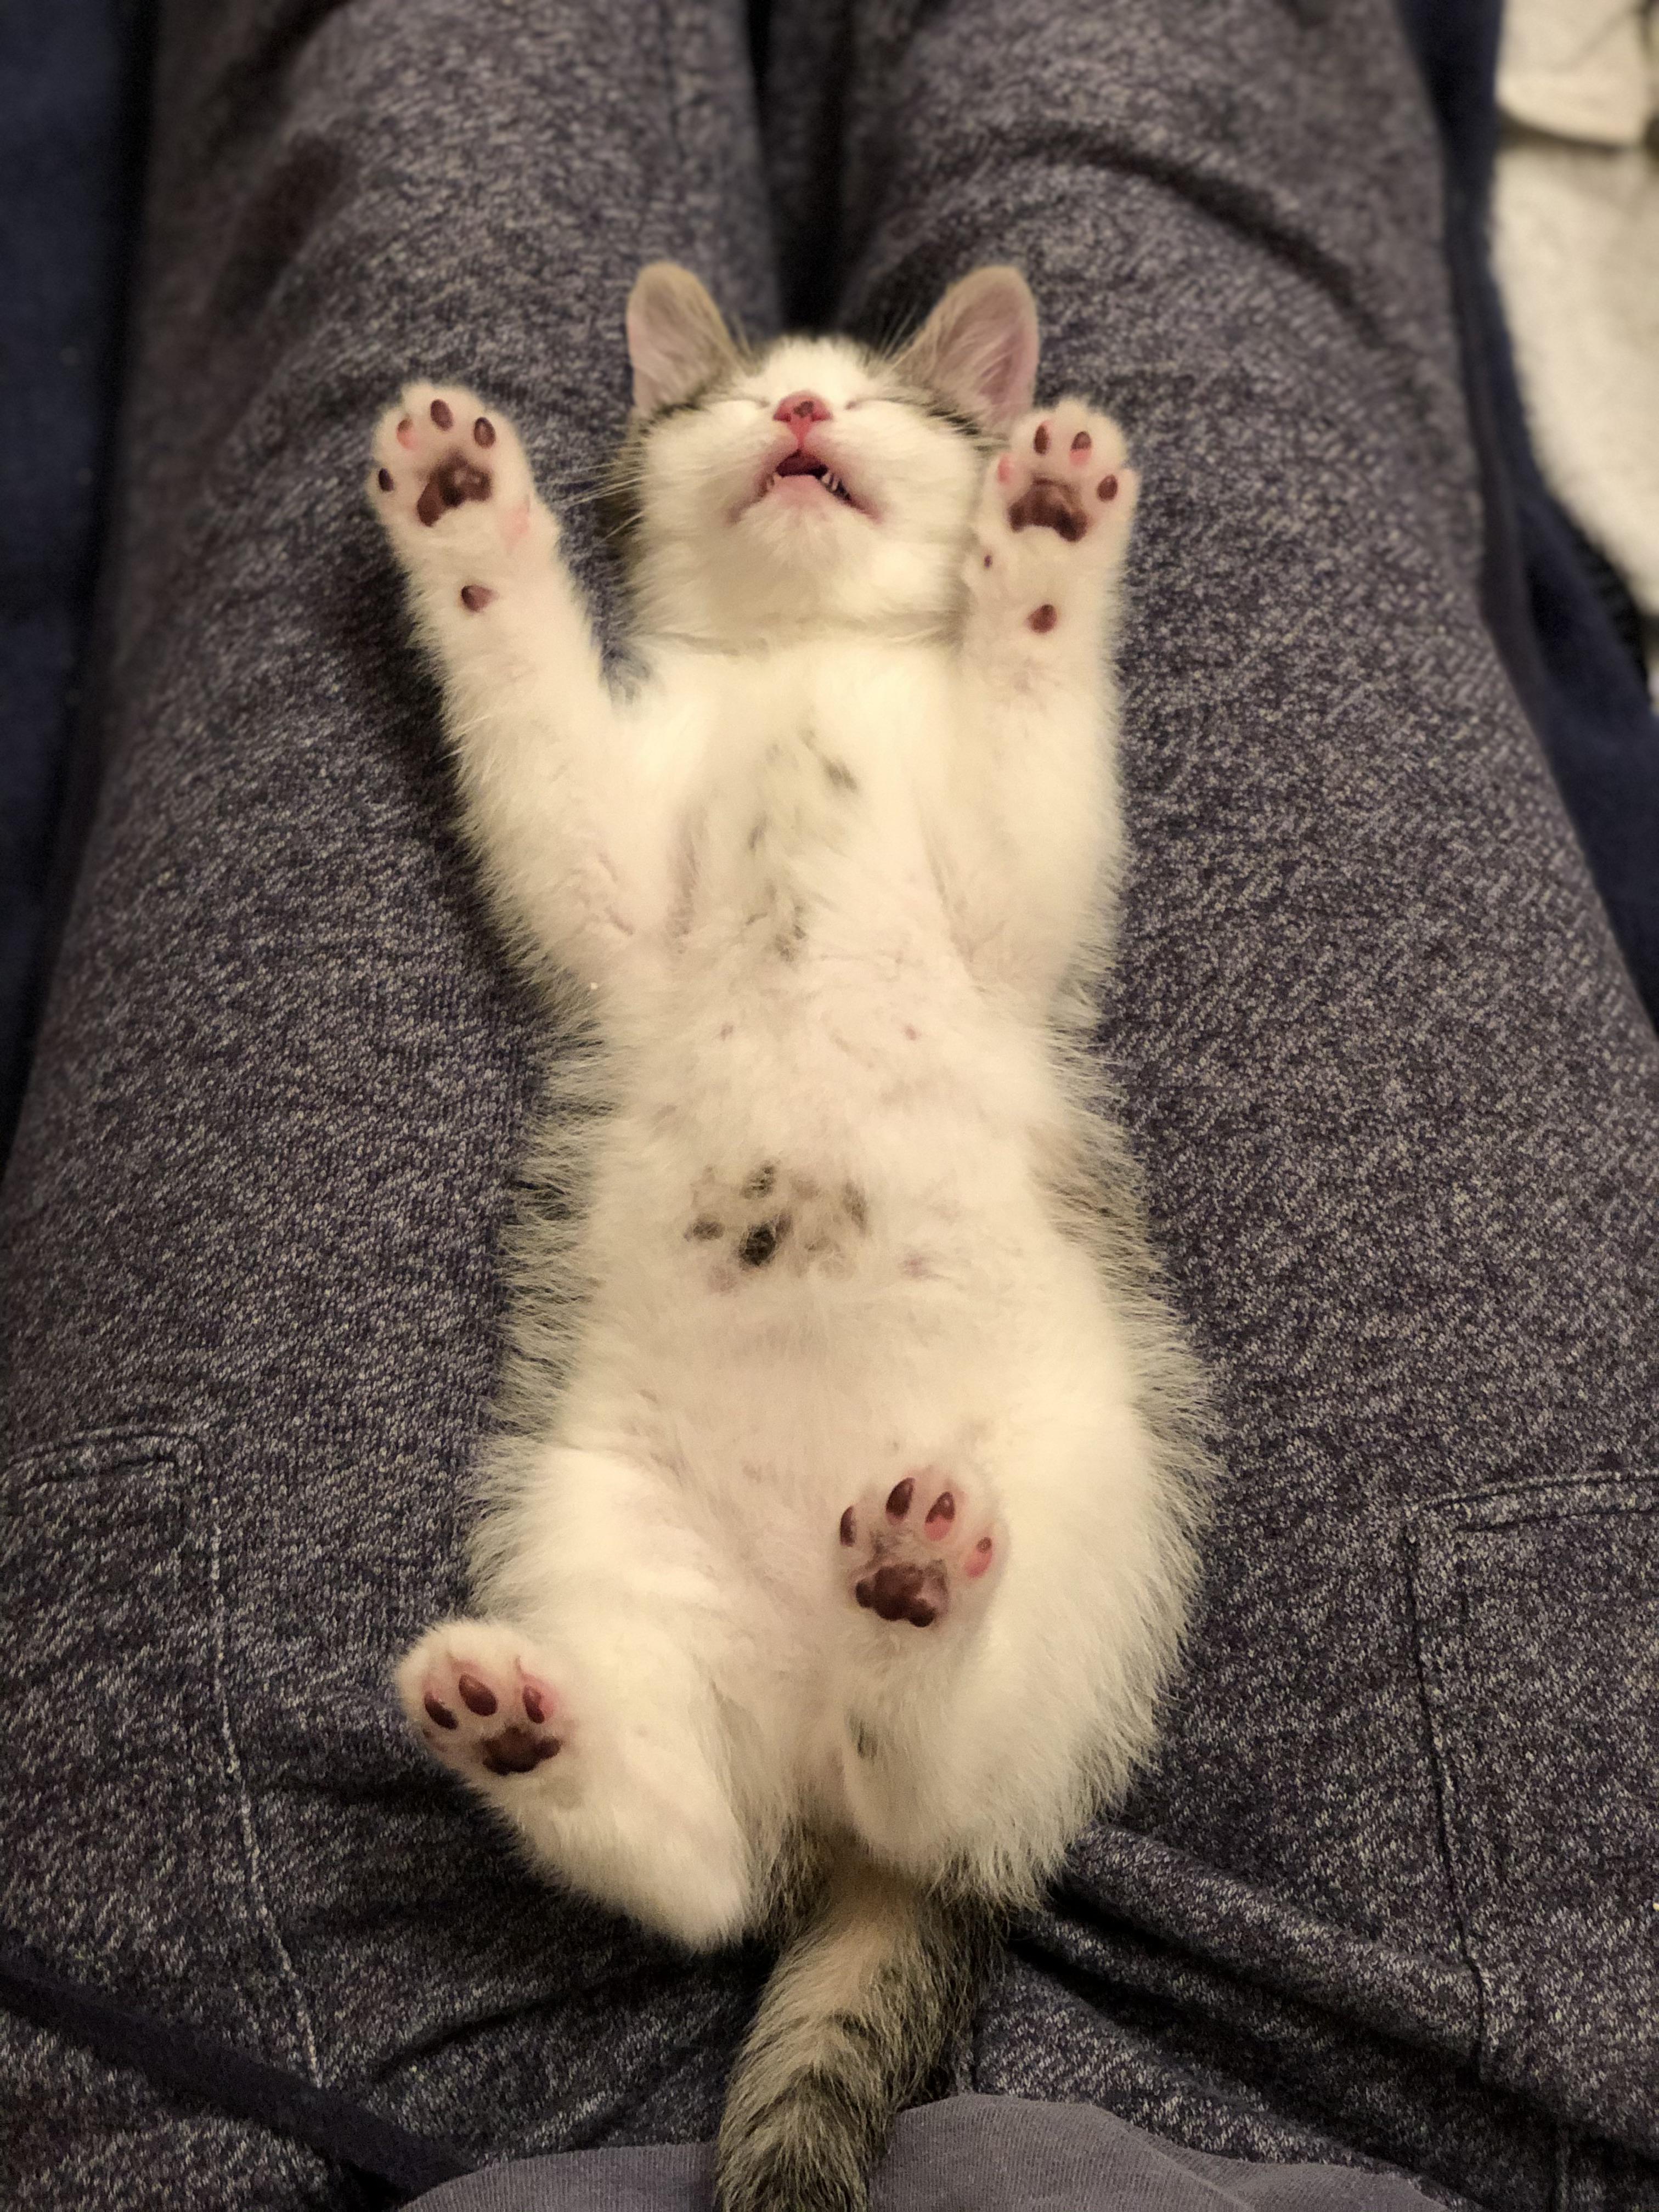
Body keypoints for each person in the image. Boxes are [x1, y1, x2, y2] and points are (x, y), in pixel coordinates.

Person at [2, 2, 1655, 2206]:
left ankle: (734, 1775)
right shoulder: (690, 690)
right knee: (1153, 184)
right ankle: (741, 1777)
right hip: (1460, 2069)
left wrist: (1034, 619)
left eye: (864, 407)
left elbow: (1017, 896)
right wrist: (501, 594)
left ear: (959, 497)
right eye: (733, 407)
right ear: (656, 496)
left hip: (325, 2072)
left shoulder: (921, 681)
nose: (793, 402)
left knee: (410, 190)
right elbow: (593, 870)